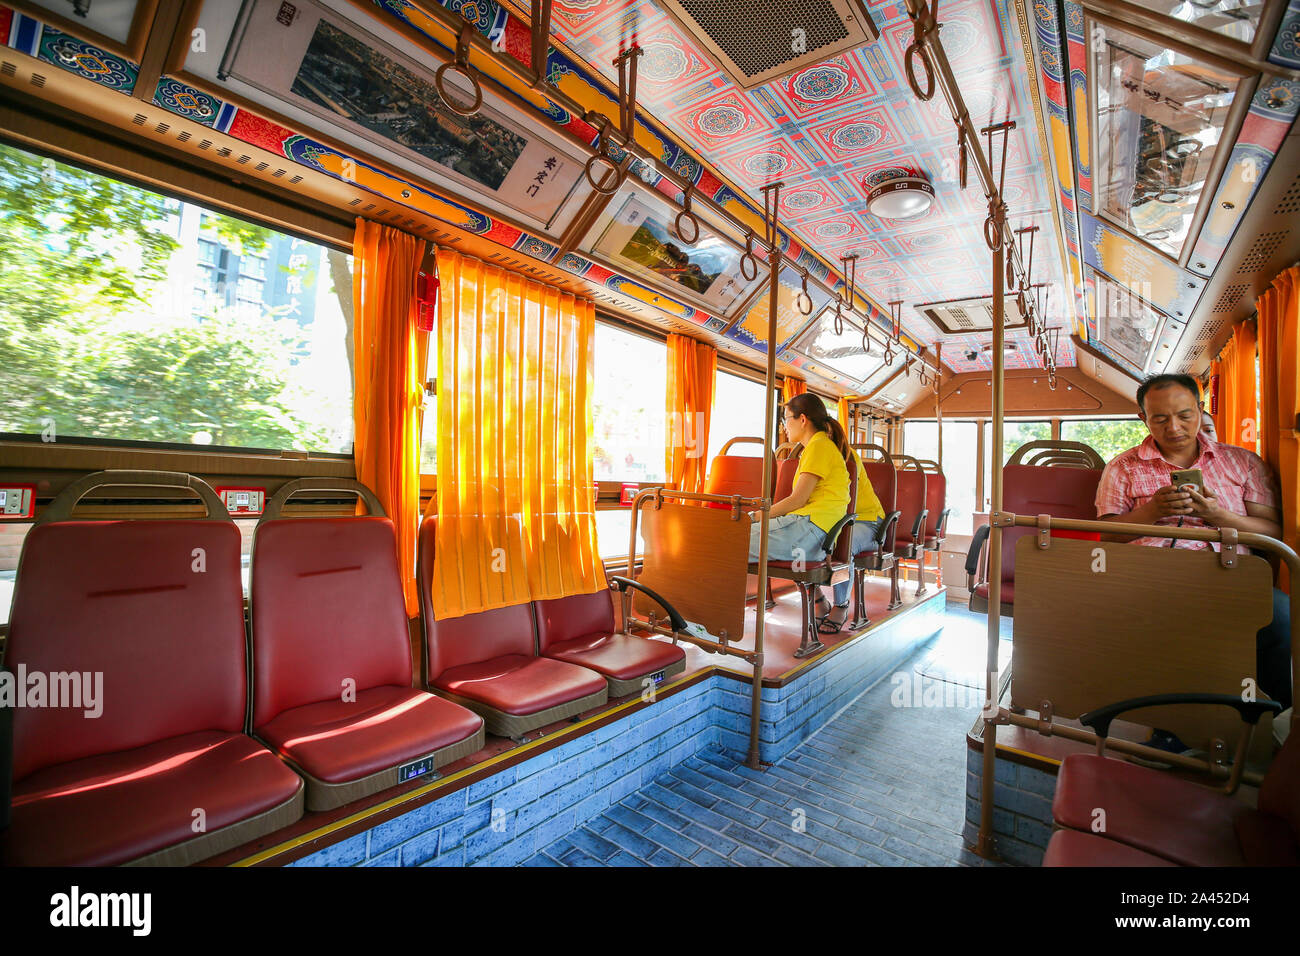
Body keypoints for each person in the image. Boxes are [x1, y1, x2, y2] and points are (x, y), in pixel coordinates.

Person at [1095, 373, 1292, 754]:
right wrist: (1152, 511)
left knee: (1280, 616)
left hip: (1232, 577)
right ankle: (1172, 726)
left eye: (1185, 415)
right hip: (1152, 578)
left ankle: (1275, 723)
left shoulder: (1242, 462)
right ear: (1143, 419)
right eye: (1160, 419)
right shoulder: (1122, 467)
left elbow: (1272, 529)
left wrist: (1220, 515)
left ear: (1201, 411)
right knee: (1162, 619)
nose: (1175, 428)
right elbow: (1107, 534)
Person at [746, 394, 850, 572]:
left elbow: (797, 500)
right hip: (812, 530)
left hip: (809, 530)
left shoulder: (819, 446)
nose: (784, 426)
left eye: (785, 419)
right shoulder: (818, 446)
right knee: (731, 538)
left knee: (731, 541)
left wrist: (756, 516)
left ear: (802, 419)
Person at [814, 444, 888, 633]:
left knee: (842, 543)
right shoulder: (811, 456)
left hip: (868, 521)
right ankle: (819, 599)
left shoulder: (847, 457)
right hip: (837, 520)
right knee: (805, 543)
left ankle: (841, 605)